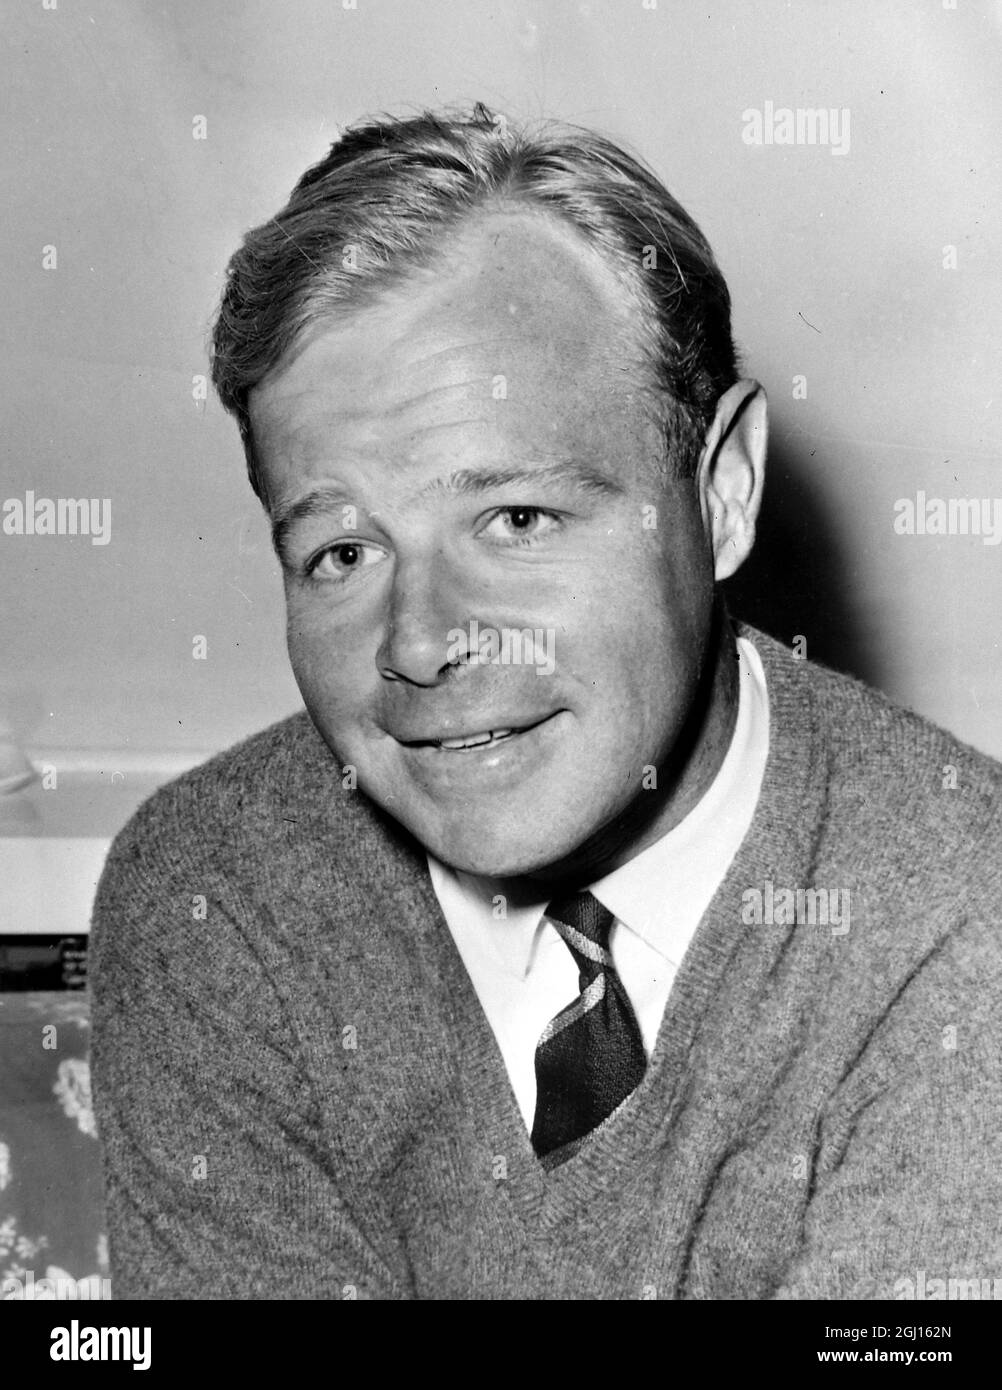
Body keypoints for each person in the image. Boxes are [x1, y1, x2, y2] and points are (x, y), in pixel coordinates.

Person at [89, 104, 1002, 1301]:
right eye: (341, 554)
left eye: (517, 519)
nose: (420, 643)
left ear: (722, 491)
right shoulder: (220, 899)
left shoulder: (954, 905)